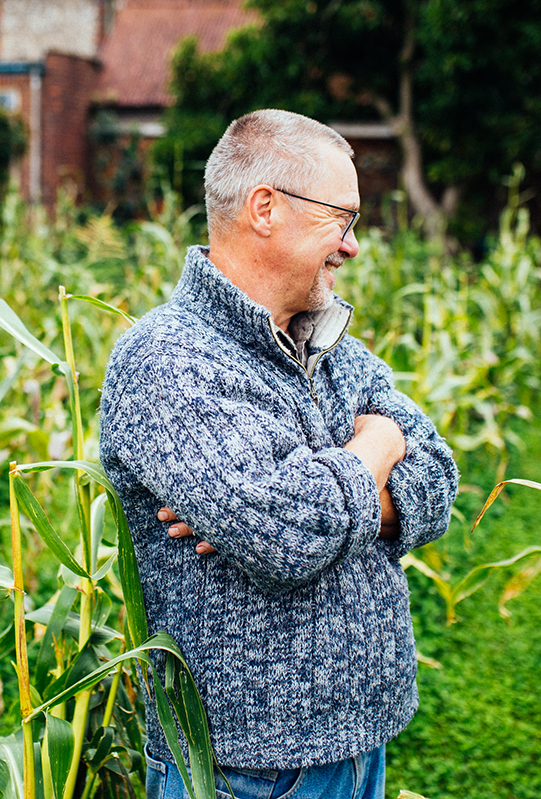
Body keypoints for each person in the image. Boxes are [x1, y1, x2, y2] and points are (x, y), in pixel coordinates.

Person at [98, 109, 459, 799]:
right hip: (243, 768)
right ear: (265, 207)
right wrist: (380, 442)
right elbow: (286, 534)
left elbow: (438, 477)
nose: (352, 245)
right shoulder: (168, 359)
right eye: (342, 219)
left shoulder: (334, 345)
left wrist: (329, 491)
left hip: (362, 742)